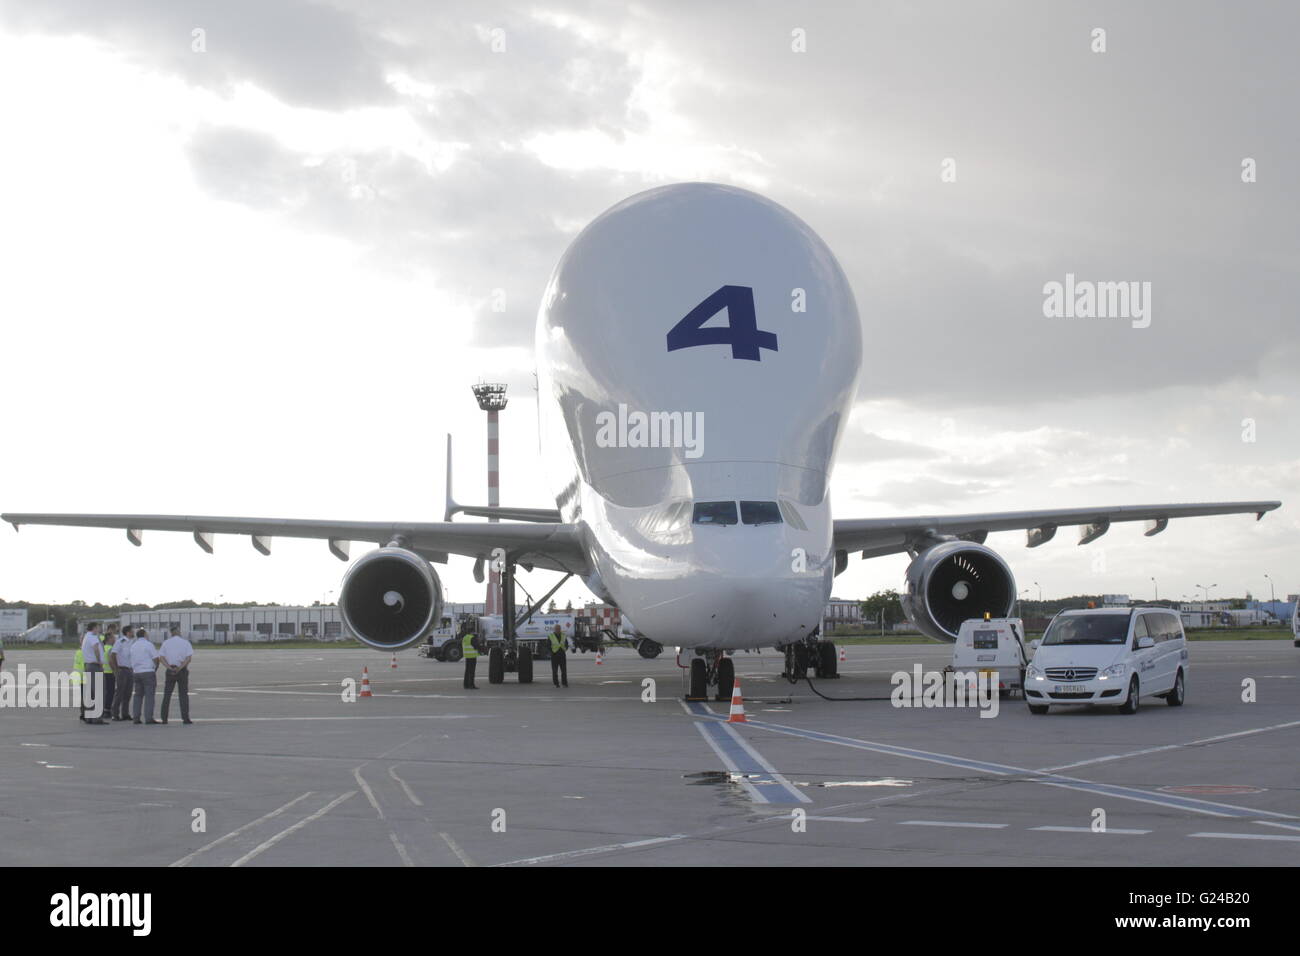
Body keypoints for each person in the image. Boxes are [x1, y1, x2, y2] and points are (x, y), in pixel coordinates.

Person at [159, 627, 193, 724]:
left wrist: (169, 667)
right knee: (183, 695)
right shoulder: (185, 643)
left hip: (170, 670)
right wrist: (181, 667)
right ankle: (185, 718)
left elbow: (161, 658)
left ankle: (164, 718)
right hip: (181, 670)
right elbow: (188, 658)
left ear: (171, 633)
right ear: (178, 632)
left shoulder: (166, 643)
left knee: (167, 695)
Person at [128, 628, 161, 724]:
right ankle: (148, 717)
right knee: (149, 696)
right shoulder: (148, 644)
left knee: (138, 695)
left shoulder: (133, 645)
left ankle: (136, 717)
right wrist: (155, 667)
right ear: (145, 635)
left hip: (136, 672)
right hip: (147, 671)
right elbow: (155, 658)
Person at [79, 623, 107, 724]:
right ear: (94, 628)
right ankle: (97, 718)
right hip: (95, 666)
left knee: (90, 693)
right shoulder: (93, 637)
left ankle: (89, 717)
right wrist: (100, 661)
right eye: (98, 627)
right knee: (99, 692)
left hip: (88, 665)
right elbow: (96, 648)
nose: (99, 629)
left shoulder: (87, 636)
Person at [111, 627, 135, 721]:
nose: (133, 633)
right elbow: (113, 655)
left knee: (128, 693)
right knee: (119, 692)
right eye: (132, 631)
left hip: (130, 669)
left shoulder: (133, 642)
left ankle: (125, 713)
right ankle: (115, 713)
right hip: (122, 669)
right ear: (128, 632)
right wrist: (116, 669)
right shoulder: (120, 642)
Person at [101, 624, 118, 719]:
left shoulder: (102, 648)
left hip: (102, 672)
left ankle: (102, 709)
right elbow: (111, 661)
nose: (115, 640)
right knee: (110, 692)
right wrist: (115, 670)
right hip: (109, 673)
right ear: (109, 639)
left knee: (104, 692)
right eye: (113, 638)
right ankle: (107, 710)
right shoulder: (110, 648)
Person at [549, 623, 568, 688]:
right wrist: (552, 652)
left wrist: (565, 649)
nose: (558, 630)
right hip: (554, 655)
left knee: (564, 670)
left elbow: (566, 644)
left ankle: (564, 683)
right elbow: (548, 646)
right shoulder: (551, 636)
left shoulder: (563, 635)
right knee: (555, 671)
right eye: (556, 629)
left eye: (559, 629)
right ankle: (556, 683)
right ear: (554, 629)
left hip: (562, 654)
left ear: (560, 629)